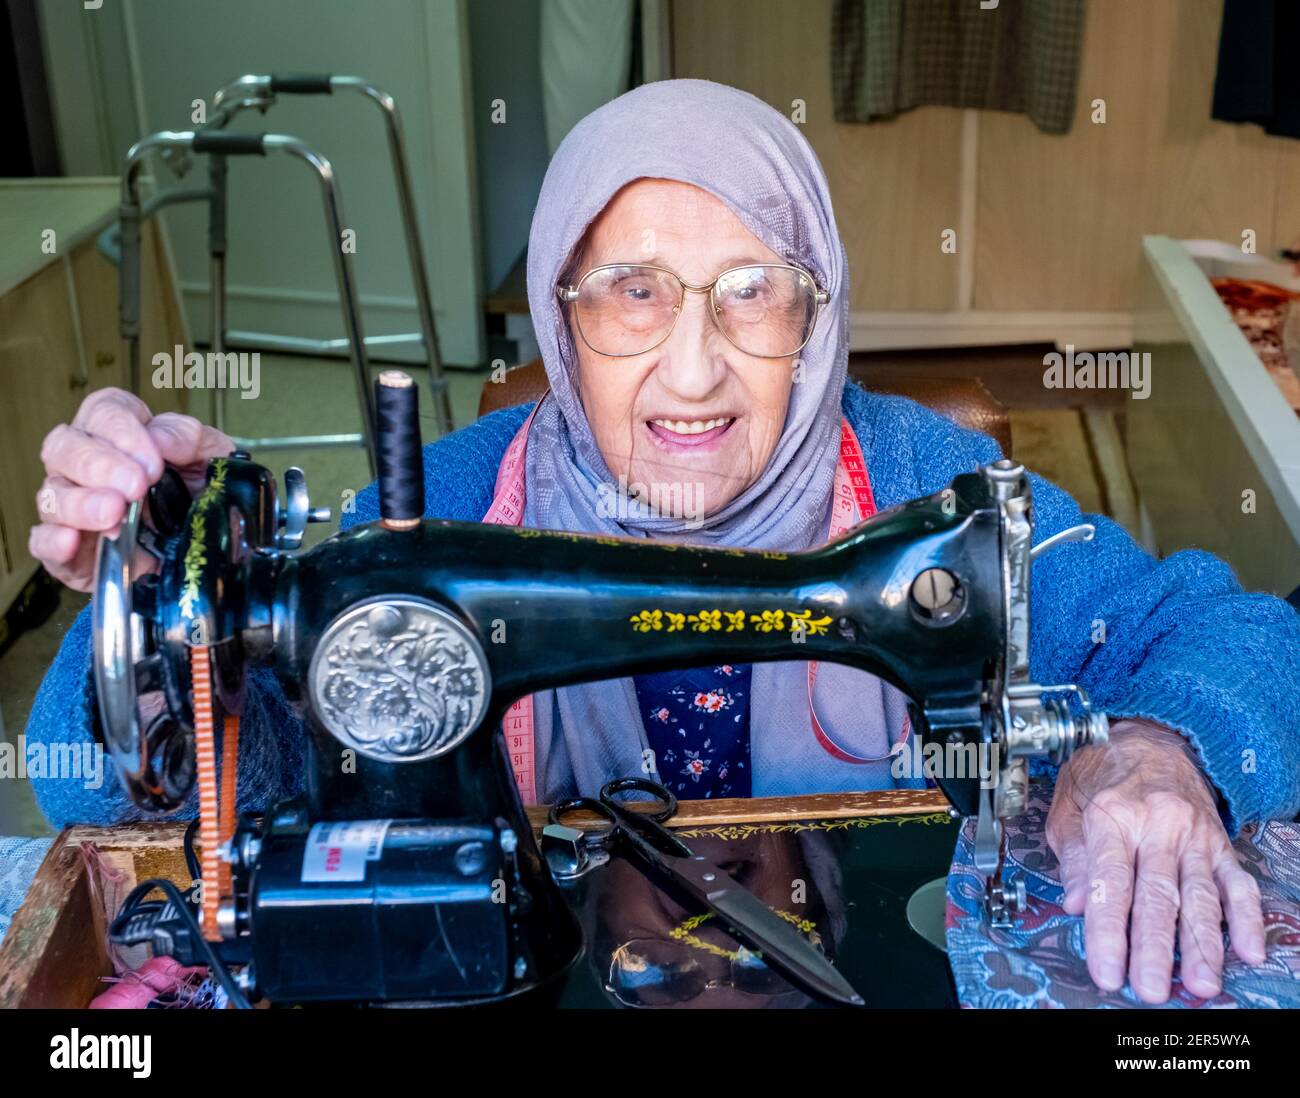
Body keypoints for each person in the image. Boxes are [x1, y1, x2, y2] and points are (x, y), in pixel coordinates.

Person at [25, 79, 1300, 1004]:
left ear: (819, 315)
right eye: (631, 293)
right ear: (556, 318)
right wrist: (154, 586)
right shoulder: (441, 518)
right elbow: (94, 798)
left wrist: (1162, 744)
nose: (694, 371)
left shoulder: (928, 480)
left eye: (754, 291)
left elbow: (1241, 633)